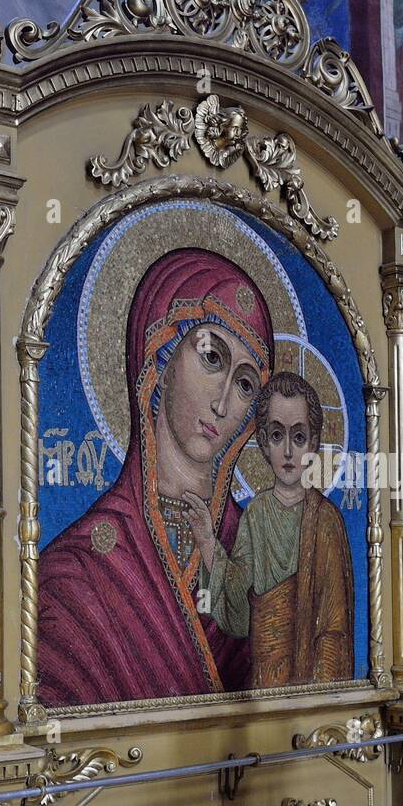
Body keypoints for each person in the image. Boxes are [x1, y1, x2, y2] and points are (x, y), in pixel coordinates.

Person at [37, 249, 275, 704]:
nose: (223, 403)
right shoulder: (76, 574)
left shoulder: (256, 542)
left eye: (245, 384)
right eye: (211, 357)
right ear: (158, 358)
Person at [187, 371, 354, 689]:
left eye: (299, 437)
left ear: (315, 443)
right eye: (277, 436)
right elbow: (236, 615)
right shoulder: (257, 515)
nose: (289, 452)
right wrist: (207, 542)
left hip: (312, 687)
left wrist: (320, 699)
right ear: (263, 442)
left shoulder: (326, 522)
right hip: (264, 682)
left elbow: (334, 628)